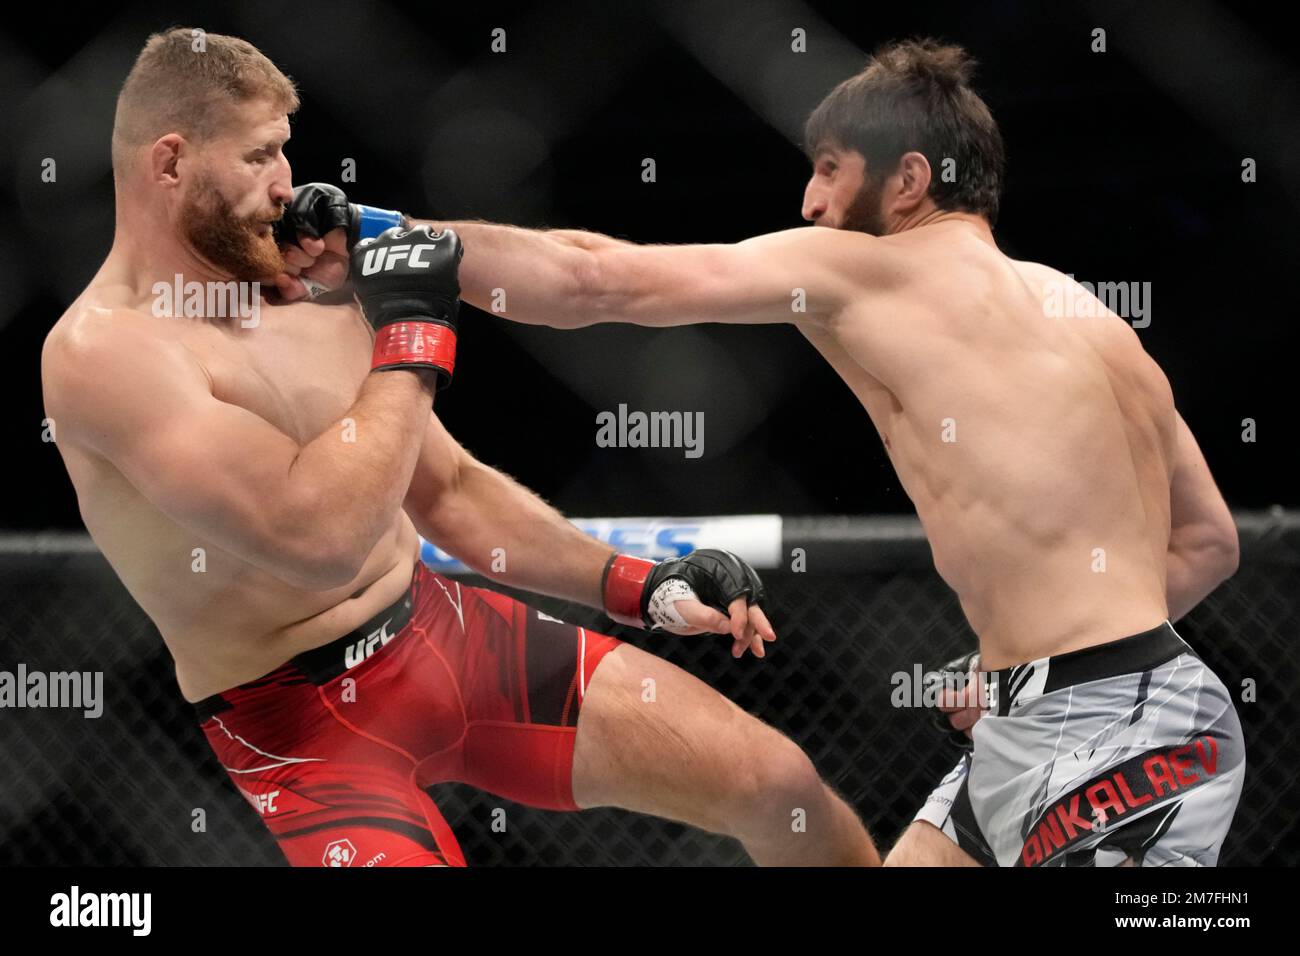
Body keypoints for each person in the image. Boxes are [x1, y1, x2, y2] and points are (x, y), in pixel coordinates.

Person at [286, 38, 1244, 866]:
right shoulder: (1093, 318)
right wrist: (1032, 669)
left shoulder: (864, 270)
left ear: (910, 180)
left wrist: (383, 237)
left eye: (831, 168)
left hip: (1124, 731)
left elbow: (592, 279)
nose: (811, 200)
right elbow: (1209, 544)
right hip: (1081, 709)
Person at [40, 27, 878, 867]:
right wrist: (411, 335)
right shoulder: (105, 354)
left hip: (444, 633)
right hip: (299, 722)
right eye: (259, 157)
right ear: (170, 162)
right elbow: (318, 539)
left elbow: (451, 492)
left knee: (779, 784)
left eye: (285, 153)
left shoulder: (303, 286)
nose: (286, 185)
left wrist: (639, 585)